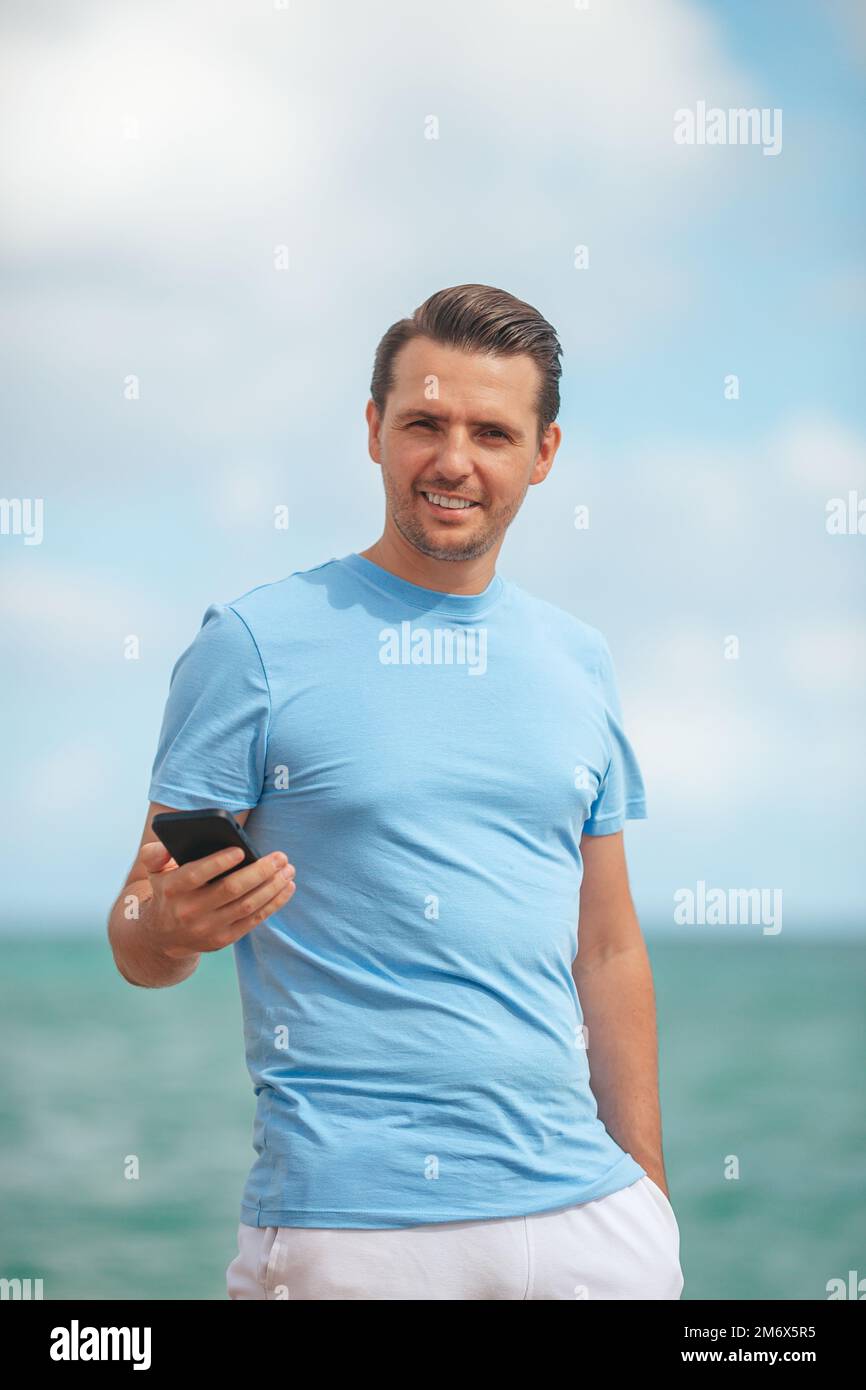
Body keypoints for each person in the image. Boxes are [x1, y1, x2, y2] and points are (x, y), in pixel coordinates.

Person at [107, 283, 683, 1300]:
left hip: (591, 1226)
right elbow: (137, 933)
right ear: (375, 430)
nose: (452, 460)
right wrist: (174, 928)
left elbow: (606, 944)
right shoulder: (252, 644)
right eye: (424, 421)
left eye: (491, 432)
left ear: (542, 455)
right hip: (354, 1232)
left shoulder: (577, 659)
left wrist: (647, 1195)